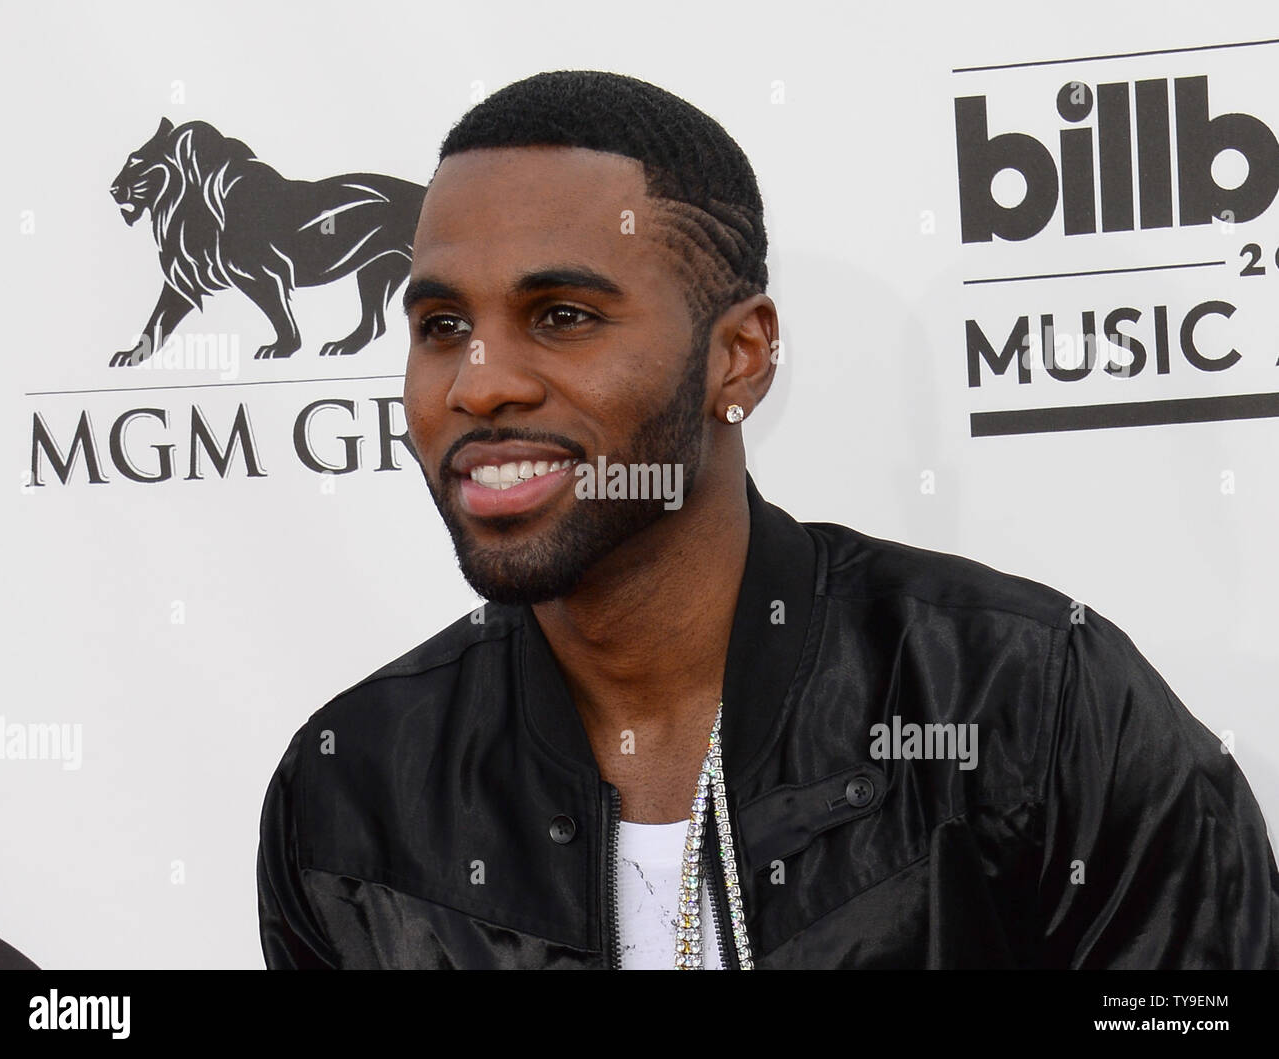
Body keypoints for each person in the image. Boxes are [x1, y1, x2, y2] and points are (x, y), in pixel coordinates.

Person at [257, 69, 1279, 969]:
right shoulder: (352, 792)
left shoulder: (1029, 706)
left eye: (562, 316)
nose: (477, 387)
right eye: (441, 327)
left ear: (737, 356)